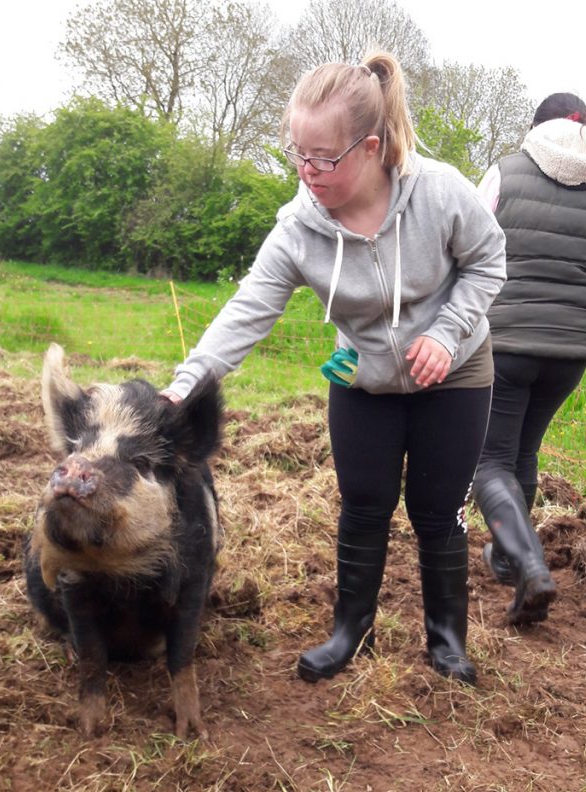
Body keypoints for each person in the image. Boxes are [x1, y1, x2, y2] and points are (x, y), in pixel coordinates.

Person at [161, 52, 506, 685]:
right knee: (364, 505)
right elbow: (248, 311)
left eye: (322, 158)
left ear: (370, 147)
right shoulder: (298, 228)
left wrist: (447, 334)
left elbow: (489, 261)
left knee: (438, 509)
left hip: (454, 376)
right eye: (297, 154)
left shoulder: (440, 190)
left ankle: (447, 640)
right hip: (364, 381)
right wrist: (181, 389)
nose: (306, 171)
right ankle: (350, 632)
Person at [471, 93, 586, 625]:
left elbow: (466, 245)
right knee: (523, 450)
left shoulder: (504, 172)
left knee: (488, 461)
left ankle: (525, 563)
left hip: (504, 341)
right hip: (572, 350)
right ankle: (509, 556)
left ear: (535, 129)